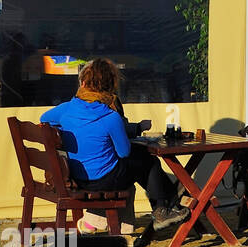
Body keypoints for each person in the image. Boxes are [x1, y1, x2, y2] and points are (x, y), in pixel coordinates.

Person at [39, 58, 190, 231]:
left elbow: (44, 119)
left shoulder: (66, 109)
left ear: (83, 83)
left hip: (78, 177)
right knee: (147, 161)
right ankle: (163, 205)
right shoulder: (111, 118)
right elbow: (123, 152)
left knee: (139, 160)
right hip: (103, 181)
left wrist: (67, 132)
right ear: (111, 86)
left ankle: (165, 201)